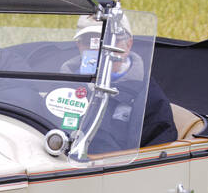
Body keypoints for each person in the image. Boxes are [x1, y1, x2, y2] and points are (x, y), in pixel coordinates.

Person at [60, 13, 177, 150]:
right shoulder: (61, 84)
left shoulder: (148, 95)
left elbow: (159, 152)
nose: (99, 50)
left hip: (117, 169)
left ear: (128, 44)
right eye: (89, 42)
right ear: (79, 45)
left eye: (109, 42)